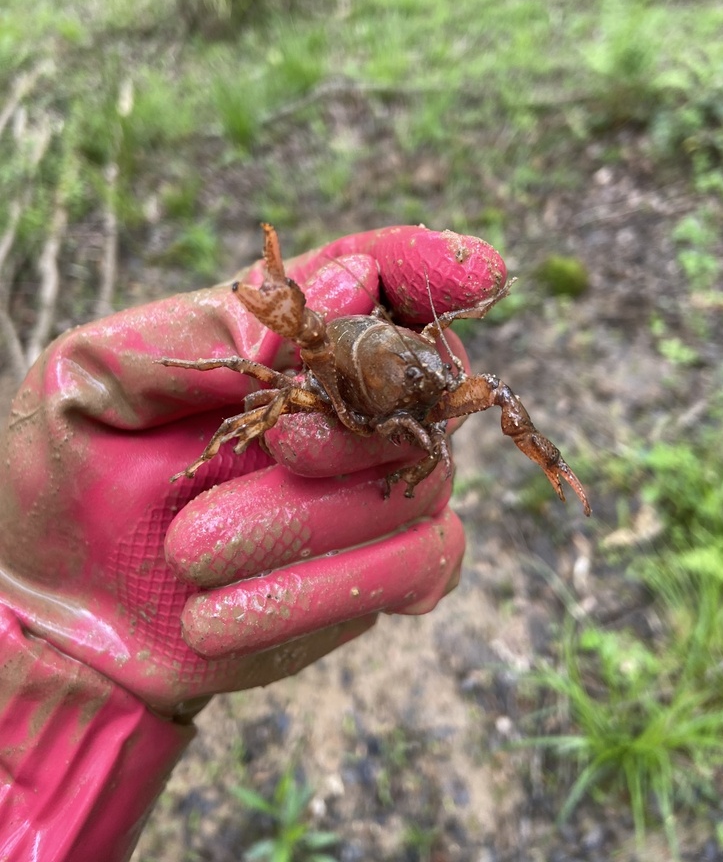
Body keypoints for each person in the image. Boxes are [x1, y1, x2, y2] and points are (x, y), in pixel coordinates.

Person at [0, 223, 507, 861]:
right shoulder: (312, 359)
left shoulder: (430, 373)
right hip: (328, 385)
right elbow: (246, 366)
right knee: (252, 385)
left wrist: (61, 676)